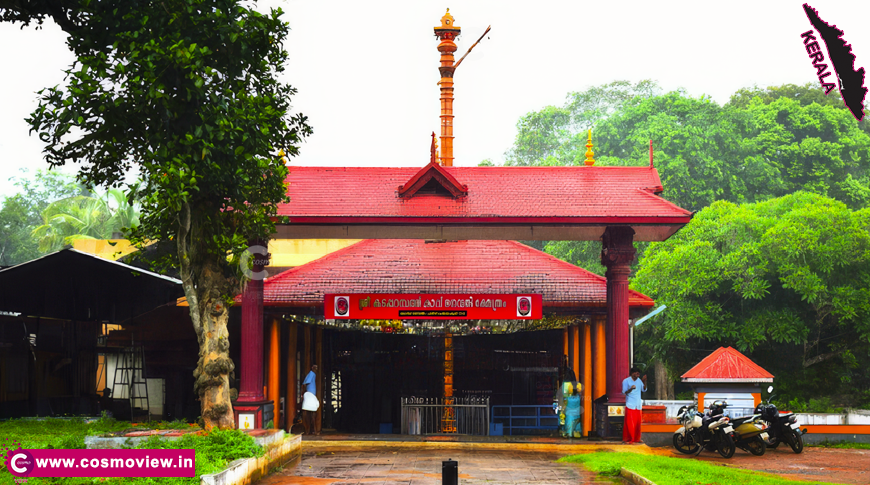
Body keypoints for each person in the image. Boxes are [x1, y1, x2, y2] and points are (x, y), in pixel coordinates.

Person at [622, 367, 647, 444]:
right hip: (630, 404)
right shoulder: (626, 381)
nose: (637, 374)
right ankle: (629, 439)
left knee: (637, 423)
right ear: (632, 373)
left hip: (638, 405)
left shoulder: (639, 381)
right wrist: (631, 389)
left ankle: (637, 438)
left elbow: (644, 389)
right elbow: (624, 392)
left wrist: (644, 381)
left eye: (638, 373)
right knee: (630, 423)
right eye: (636, 372)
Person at [301, 364, 319, 435]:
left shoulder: (312, 374)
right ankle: (310, 430)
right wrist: (304, 393)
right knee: (311, 416)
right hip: (309, 395)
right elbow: (305, 384)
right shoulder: (311, 374)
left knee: (311, 415)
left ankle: (311, 430)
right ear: (312, 368)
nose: (316, 369)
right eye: (315, 367)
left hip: (311, 395)